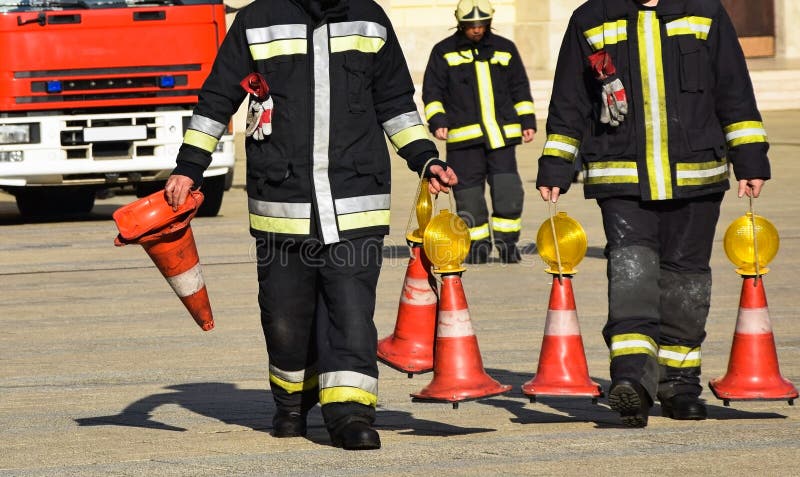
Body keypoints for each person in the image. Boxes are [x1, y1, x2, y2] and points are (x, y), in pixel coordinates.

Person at [164, 0, 457, 450]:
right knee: (285, 318)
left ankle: (350, 413)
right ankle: (292, 404)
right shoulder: (257, 19)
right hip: (281, 202)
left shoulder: (370, 18)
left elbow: (396, 103)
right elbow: (218, 98)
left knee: (350, 313)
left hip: (355, 200)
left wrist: (425, 159)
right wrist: (190, 166)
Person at [536, 0, 770, 427]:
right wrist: (556, 164)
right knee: (632, 274)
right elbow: (570, 99)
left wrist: (750, 157)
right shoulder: (591, 18)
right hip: (622, 177)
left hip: (696, 175)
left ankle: (679, 385)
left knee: (687, 282)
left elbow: (733, 87)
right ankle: (632, 381)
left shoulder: (705, 12)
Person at [422, 0, 536, 264]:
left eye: (482, 24)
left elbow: (519, 87)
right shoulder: (443, 51)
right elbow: (432, 91)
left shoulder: (505, 49)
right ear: (460, 24)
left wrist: (527, 119)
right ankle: (477, 246)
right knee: (468, 197)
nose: (476, 29)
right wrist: (437, 119)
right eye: (471, 25)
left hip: (501, 139)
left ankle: (508, 244)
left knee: (508, 193)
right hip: (463, 141)